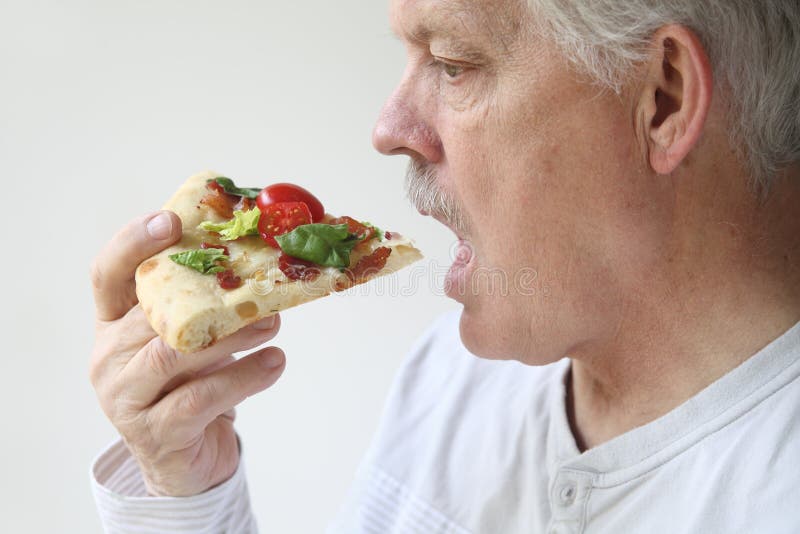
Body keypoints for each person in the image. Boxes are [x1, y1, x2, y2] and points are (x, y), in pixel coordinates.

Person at [89, 0, 800, 532]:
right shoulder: (451, 379)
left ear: (664, 100)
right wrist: (186, 493)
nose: (389, 129)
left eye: (454, 64)